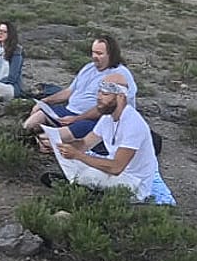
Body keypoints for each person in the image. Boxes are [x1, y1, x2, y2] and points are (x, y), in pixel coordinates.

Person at [44, 72, 159, 202]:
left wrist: (78, 155)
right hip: (113, 172)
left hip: (134, 182)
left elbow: (116, 168)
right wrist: (59, 146)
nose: (99, 97)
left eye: (105, 94)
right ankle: (83, 187)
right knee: (76, 163)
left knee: (88, 172)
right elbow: (85, 143)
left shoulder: (133, 124)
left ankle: (84, 190)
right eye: (99, 92)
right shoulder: (107, 117)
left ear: (120, 97)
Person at [23, 34, 138, 144]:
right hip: (70, 111)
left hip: (91, 119)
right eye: (93, 52)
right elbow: (69, 91)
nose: (95, 56)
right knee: (32, 122)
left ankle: (44, 141)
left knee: (48, 138)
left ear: (111, 55)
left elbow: (108, 107)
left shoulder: (119, 75)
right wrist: (45, 101)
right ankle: (34, 137)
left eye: (99, 53)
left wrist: (76, 119)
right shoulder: (88, 68)